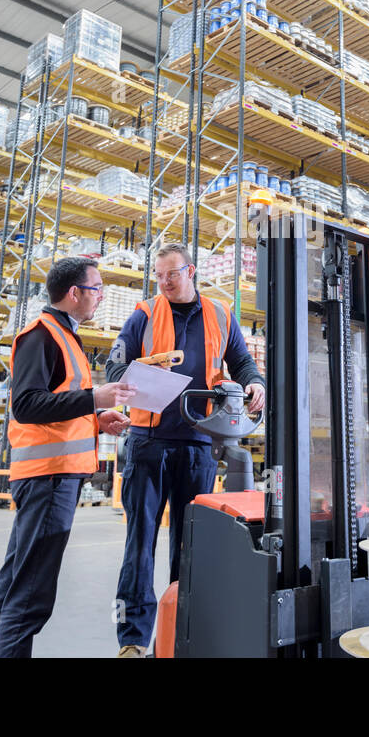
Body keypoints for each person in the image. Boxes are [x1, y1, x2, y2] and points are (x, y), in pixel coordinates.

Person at [108, 242, 266, 657]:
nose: (164, 282)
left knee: (190, 545)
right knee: (139, 542)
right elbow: (115, 366)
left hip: (199, 442)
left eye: (172, 274)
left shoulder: (221, 314)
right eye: (158, 275)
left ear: (190, 271)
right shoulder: (144, 313)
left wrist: (255, 382)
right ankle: (132, 640)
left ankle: (183, 633)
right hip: (148, 442)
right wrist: (142, 374)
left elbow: (242, 361)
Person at [0, 257, 136, 658]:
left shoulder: (65, 336)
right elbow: (27, 405)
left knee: (15, 582)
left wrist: (97, 418)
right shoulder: (42, 335)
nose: (101, 297)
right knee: (31, 593)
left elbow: (59, 404)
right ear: (75, 293)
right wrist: (93, 398)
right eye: (97, 289)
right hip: (48, 479)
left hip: (52, 477)